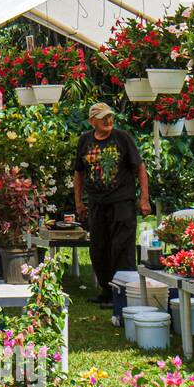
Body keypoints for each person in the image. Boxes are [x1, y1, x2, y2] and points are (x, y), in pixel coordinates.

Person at [73, 102, 152, 311]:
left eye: (110, 117)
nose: (108, 121)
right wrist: (79, 202)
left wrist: (144, 198)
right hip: (97, 203)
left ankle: (124, 293)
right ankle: (107, 291)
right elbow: (78, 172)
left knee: (122, 247)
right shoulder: (85, 141)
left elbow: (140, 168)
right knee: (98, 249)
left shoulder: (122, 138)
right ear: (92, 121)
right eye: (103, 118)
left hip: (122, 202)